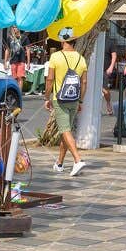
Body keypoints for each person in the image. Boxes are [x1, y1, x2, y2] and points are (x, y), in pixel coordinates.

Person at [44, 35, 88, 176]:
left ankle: (77, 160)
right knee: (66, 131)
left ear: (63, 41)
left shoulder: (55, 57)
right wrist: (80, 100)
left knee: (64, 130)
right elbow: (84, 82)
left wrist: (47, 97)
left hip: (60, 99)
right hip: (74, 99)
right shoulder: (81, 59)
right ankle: (60, 163)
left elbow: (50, 79)